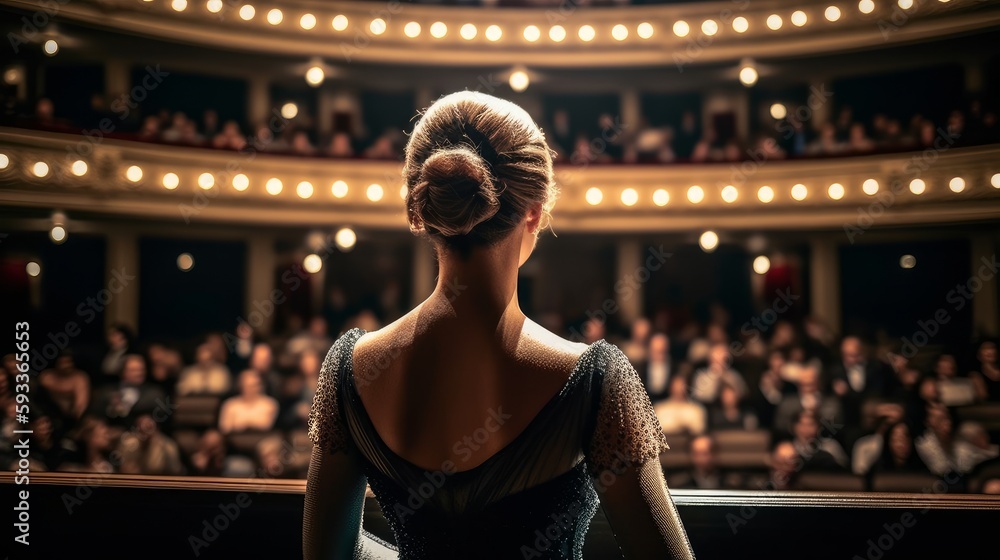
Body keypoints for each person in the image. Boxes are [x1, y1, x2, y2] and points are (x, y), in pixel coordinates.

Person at [303, 91, 695, 559]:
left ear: (421, 208)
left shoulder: (350, 369)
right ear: (534, 211)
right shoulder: (595, 379)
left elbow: (326, 555)